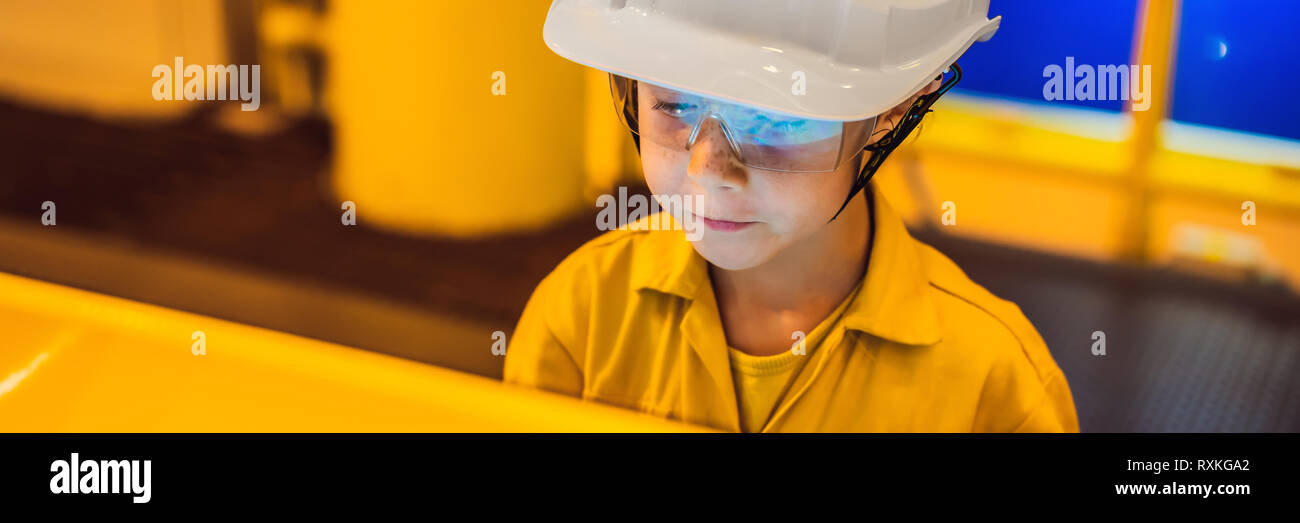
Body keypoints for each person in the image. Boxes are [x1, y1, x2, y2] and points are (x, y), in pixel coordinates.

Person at [505, 0, 1079, 432]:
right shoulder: (582, 315)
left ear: (894, 111)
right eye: (674, 106)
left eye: (775, 120)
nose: (710, 168)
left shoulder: (992, 383)